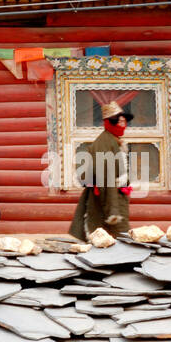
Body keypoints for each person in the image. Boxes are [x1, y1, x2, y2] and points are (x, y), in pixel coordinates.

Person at [68, 101, 133, 242]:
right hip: (108, 200)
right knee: (118, 238)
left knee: (110, 239)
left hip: (113, 198)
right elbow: (107, 179)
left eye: (124, 121)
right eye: (119, 121)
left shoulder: (114, 140)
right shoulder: (104, 144)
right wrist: (113, 210)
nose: (123, 124)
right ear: (109, 123)